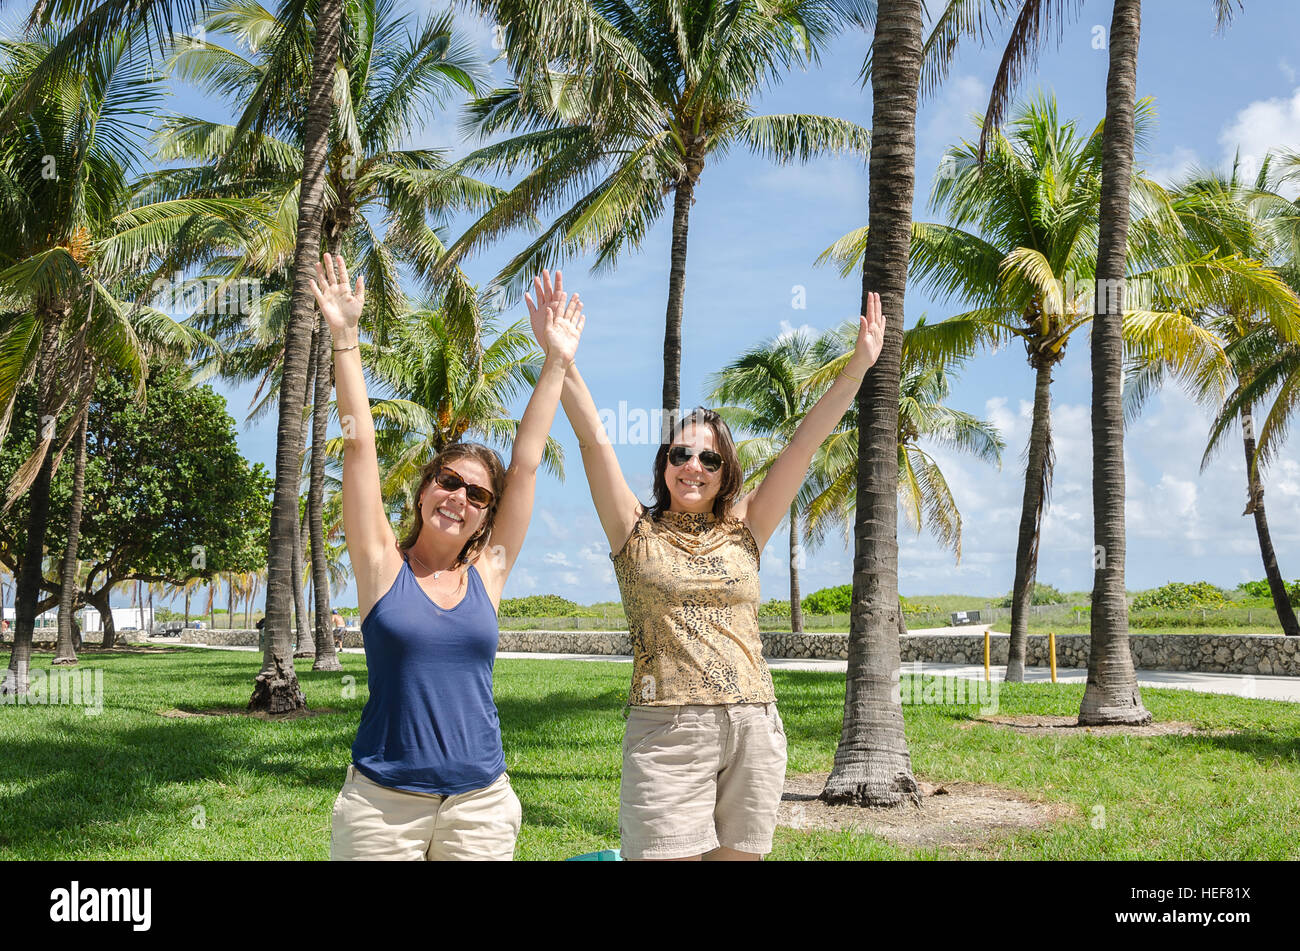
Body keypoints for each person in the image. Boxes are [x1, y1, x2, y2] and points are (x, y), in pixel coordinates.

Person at [526, 270, 884, 861]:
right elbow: (593, 441)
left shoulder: (746, 527)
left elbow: (802, 446)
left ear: (726, 471)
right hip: (666, 732)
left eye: (709, 457)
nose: (693, 465)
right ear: (665, 461)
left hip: (753, 727)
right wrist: (561, 359)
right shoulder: (634, 531)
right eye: (681, 453)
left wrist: (857, 368)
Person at [316, 254, 583, 861]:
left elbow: (528, 461)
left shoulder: (488, 574)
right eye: (447, 480)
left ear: (487, 515)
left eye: (477, 494)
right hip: (383, 808)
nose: (458, 497)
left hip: (480, 806)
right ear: (424, 487)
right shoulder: (382, 564)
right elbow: (359, 452)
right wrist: (345, 339)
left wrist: (556, 362)